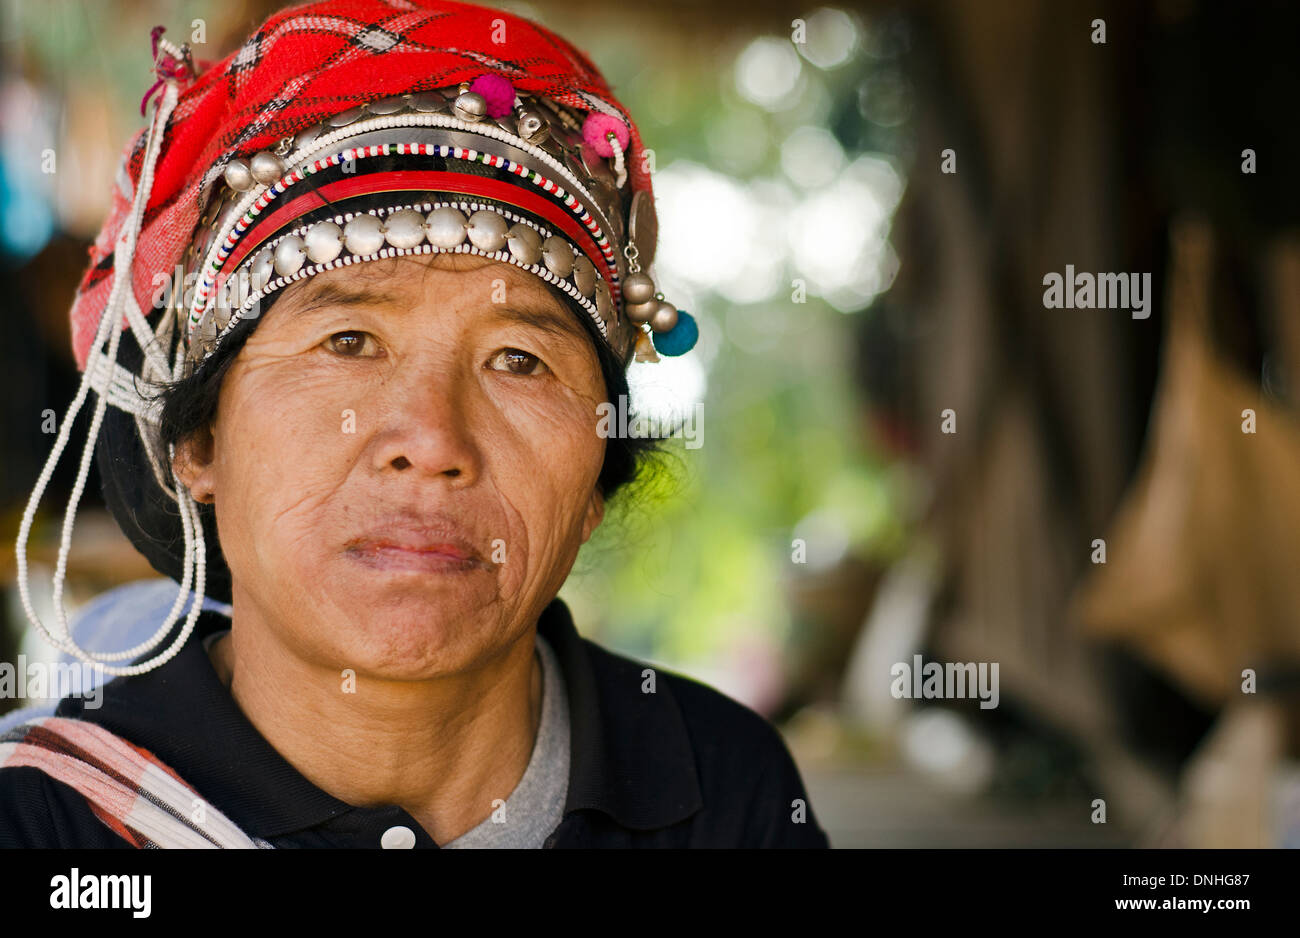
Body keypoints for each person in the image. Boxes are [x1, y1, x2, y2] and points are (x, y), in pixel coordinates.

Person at [0, 0, 830, 849]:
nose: (432, 442)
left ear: (594, 482)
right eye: (349, 341)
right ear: (200, 443)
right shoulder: (49, 827)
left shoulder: (722, 794)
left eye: (517, 360)